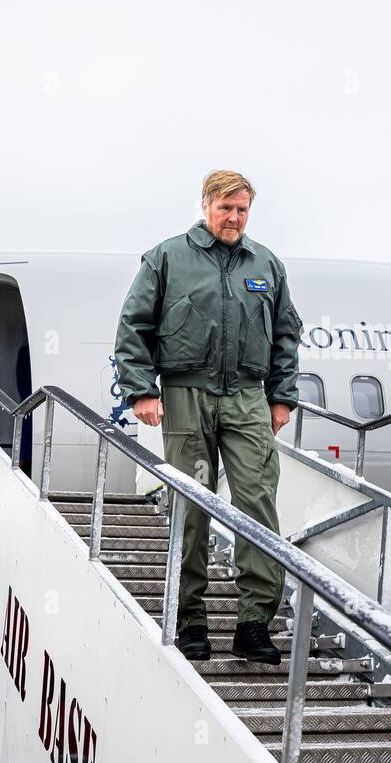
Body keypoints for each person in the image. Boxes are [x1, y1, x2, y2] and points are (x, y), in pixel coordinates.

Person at [114, 170, 303, 664]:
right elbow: (134, 325)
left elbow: (285, 334)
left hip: (246, 397)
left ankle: (254, 624)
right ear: (205, 205)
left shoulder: (266, 264)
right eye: (226, 208)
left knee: (257, 502)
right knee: (191, 506)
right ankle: (190, 620)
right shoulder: (167, 258)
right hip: (186, 393)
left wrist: (281, 396)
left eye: (242, 210)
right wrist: (141, 391)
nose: (234, 218)